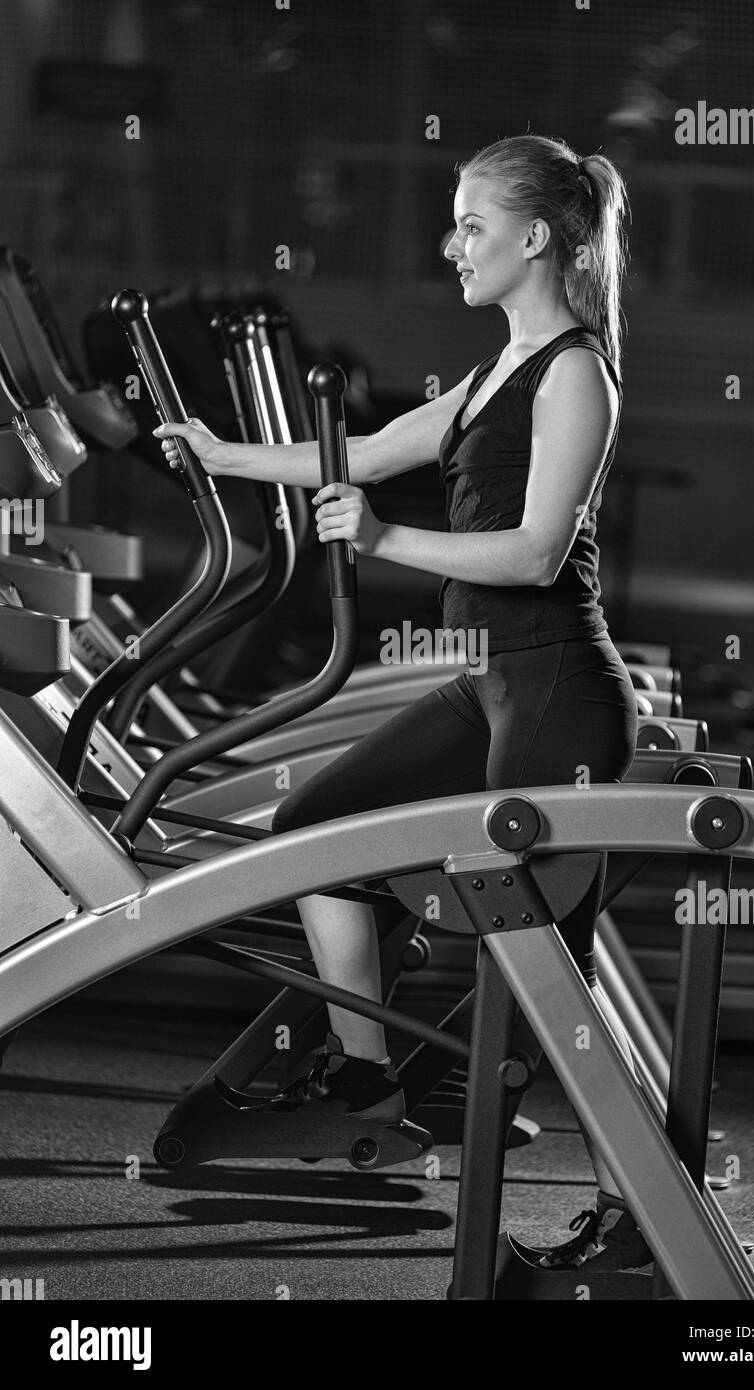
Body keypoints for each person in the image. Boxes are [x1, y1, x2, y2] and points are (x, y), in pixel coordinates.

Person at [155, 133, 650, 1272]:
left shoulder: (576, 370)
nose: (453, 245)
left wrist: (379, 542)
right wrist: (222, 452)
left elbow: (533, 555)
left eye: (474, 224)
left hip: (561, 691)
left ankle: (635, 1216)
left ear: (536, 237)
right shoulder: (495, 371)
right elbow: (371, 450)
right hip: (489, 684)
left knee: (544, 978)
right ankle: (366, 1075)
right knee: (310, 834)